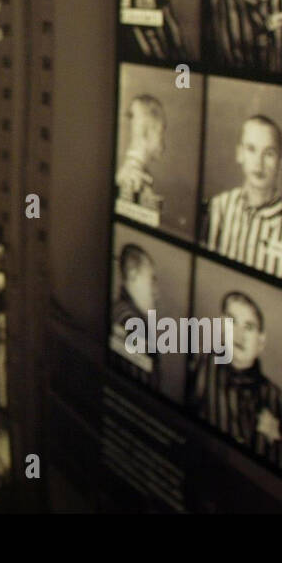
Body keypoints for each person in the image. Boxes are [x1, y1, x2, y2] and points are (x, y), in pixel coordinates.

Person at [187, 291, 282, 470]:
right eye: (232, 322)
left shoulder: (278, 400)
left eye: (249, 327)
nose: (239, 335)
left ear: (261, 341)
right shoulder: (203, 365)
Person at [202, 115, 282, 287]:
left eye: (269, 153)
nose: (258, 164)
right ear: (239, 154)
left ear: (281, 164)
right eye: (251, 149)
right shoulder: (219, 208)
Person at [108, 243, 161, 390]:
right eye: (152, 280)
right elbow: (144, 391)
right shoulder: (135, 325)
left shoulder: (115, 310)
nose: (157, 292)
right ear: (132, 275)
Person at [115, 93, 166, 217]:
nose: (163, 141)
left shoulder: (135, 176)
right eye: (162, 131)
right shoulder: (133, 181)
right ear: (149, 131)